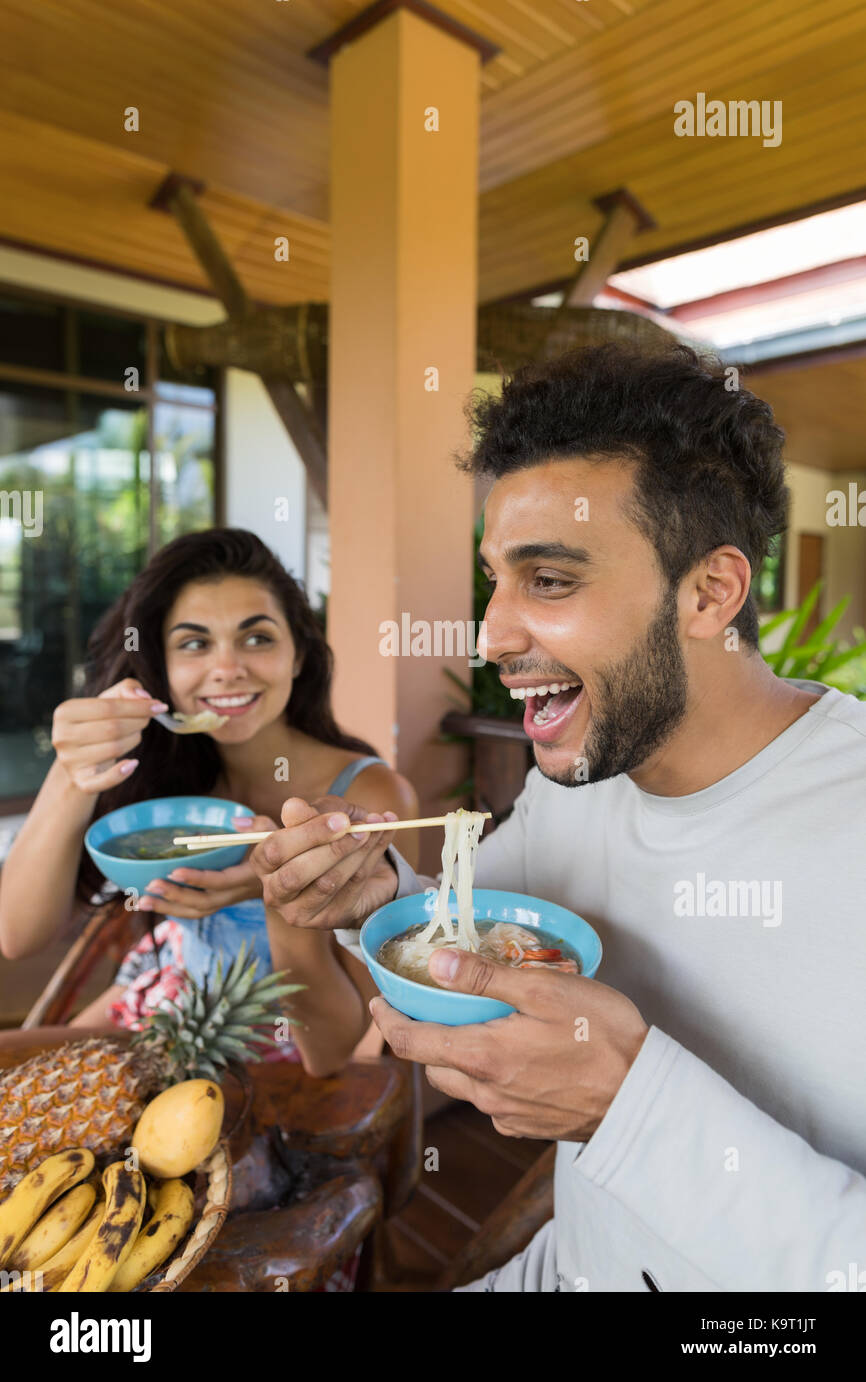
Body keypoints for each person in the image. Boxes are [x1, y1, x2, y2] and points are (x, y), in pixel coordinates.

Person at [248, 343, 866, 1291]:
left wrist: (629, 1106)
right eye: (496, 578)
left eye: (550, 580)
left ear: (711, 592)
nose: (491, 635)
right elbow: (468, 933)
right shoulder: (583, 777)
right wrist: (376, 890)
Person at [0, 528, 417, 1077]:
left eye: (257, 638)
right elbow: (18, 936)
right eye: (194, 643)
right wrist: (72, 772)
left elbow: (330, 1050)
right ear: (162, 672)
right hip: (159, 995)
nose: (227, 668)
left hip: (267, 1069)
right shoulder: (168, 770)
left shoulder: (369, 799)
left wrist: (280, 888)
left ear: (297, 656)